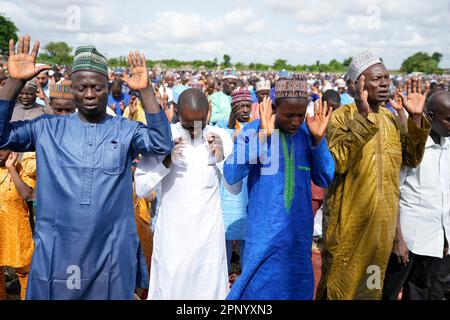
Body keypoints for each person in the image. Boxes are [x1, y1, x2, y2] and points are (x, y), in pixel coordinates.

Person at [0, 35, 173, 300]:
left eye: (97, 87)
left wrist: (146, 91)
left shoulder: (125, 129)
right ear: (73, 88)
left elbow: (162, 144)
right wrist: (14, 83)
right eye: (82, 88)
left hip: (111, 254)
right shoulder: (46, 129)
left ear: (107, 86)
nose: (90, 94)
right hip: (58, 254)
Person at [317, 50, 431, 300]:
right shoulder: (341, 117)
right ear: (358, 84)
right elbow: (339, 163)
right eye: (377, 78)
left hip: (381, 232)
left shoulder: (391, 119)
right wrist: (363, 115)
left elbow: (412, 158)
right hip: (348, 230)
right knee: (340, 290)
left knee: (370, 291)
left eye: (387, 78)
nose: (384, 83)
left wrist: (415, 118)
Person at [223, 76, 335, 299]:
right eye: (289, 115)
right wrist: (263, 136)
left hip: (298, 235)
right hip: (263, 235)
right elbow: (231, 174)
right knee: (257, 291)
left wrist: (319, 140)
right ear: (273, 108)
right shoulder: (253, 131)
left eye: (300, 115)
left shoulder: (308, 134)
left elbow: (325, 177)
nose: (295, 121)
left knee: (296, 288)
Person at [135, 88, 232, 300]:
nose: (195, 130)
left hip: (208, 239)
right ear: (177, 111)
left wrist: (222, 159)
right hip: (173, 238)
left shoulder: (221, 136)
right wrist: (166, 162)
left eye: (201, 123)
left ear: (209, 112)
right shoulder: (164, 136)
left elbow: (235, 188)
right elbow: (141, 189)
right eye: (189, 125)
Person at [382, 91, 450, 300]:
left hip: (436, 242)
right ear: (430, 116)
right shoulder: (411, 147)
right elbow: (392, 193)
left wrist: (445, 235)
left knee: (421, 292)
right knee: (389, 292)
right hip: (408, 243)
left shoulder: (448, 145)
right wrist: (398, 240)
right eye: (448, 119)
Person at [216, 88, 253, 275]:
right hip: (227, 187)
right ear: (233, 107)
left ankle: (245, 276)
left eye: (248, 106)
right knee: (226, 234)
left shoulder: (256, 126)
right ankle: (223, 274)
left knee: (247, 232)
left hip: (248, 187)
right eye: (241, 106)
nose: (245, 110)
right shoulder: (222, 126)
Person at [0, 150, 36, 300]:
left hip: (16, 229)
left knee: (25, 271)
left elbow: (26, 194)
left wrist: (12, 169)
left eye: (2, 148)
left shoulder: (22, 168)